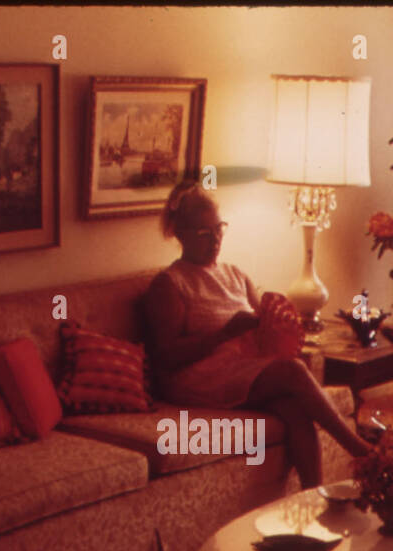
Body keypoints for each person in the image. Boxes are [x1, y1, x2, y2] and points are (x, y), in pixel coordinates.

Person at [143, 182, 372, 488]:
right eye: (203, 233)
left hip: (240, 369)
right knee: (292, 371)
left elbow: (261, 324)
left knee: (294, 410)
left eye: (219, 229)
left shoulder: (235, 274)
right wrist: (223, 334)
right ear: (179, 234)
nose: (215, 240)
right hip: (196, 377)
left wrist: (276, 326)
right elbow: (165, 357)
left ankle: (312, 497)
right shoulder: (171, 283)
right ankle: (360, 449)